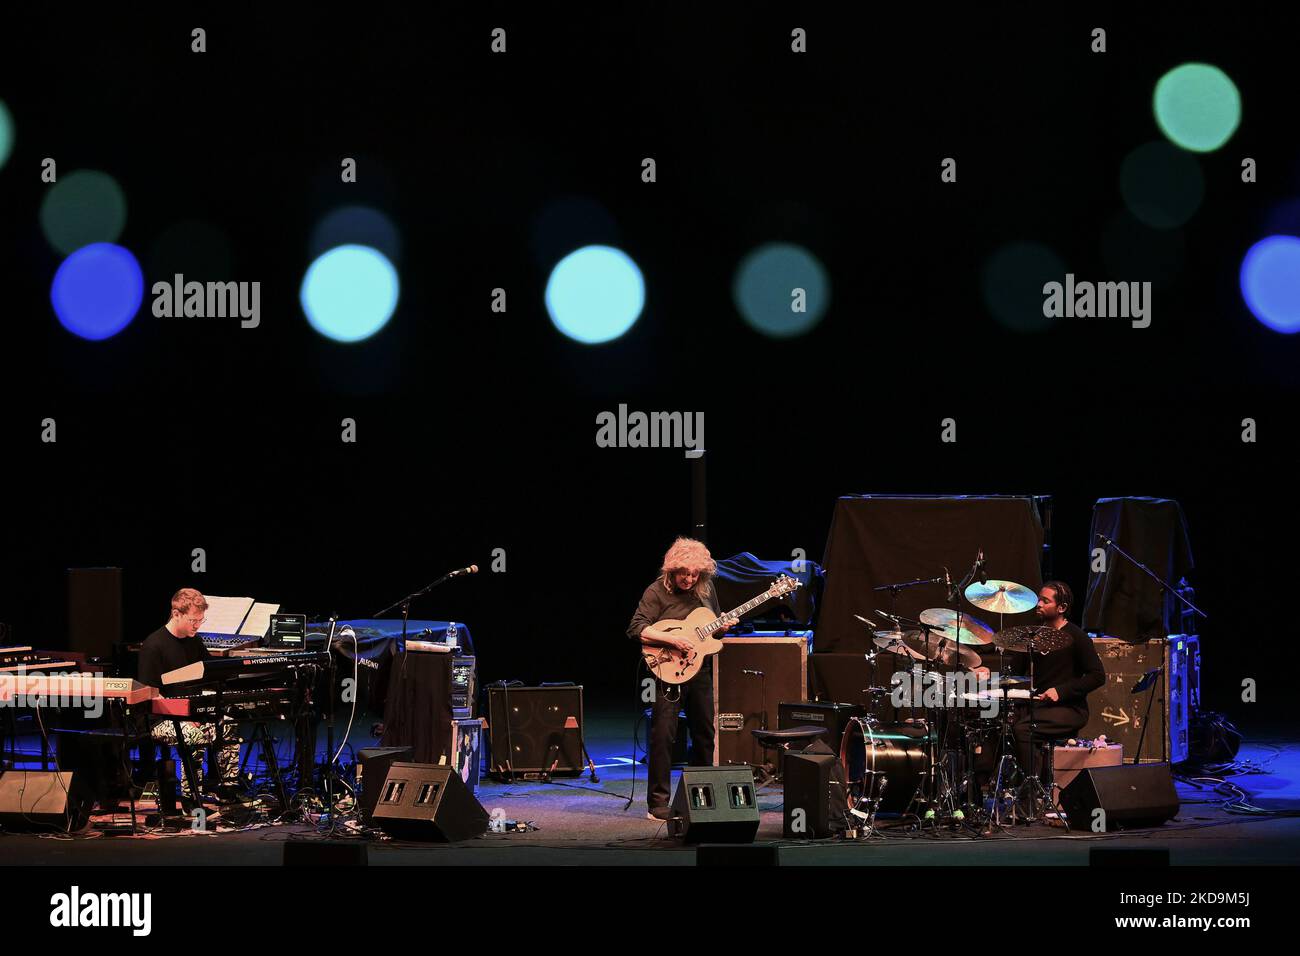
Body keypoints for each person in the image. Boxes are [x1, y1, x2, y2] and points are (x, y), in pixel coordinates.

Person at [627, 538, 734, 821]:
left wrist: (721, 628)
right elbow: (636, 628)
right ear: (672, 570)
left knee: (705, 734)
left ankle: (701, 796)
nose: (688, 579)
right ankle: (658, 803)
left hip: (700, 672)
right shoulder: (656, 592)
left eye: (694, 574)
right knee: (663, 735)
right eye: (683, 573)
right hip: (669, 671)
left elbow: (713, 636)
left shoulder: (706, 590)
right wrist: (674, 638)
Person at [138, 588, 243, 803]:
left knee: (228, 724)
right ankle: (191, 797)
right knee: (193, 735)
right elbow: (151, 695)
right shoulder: (153, 646)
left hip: (191, 715)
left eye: (200, 621)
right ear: (176, 614)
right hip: (161, 719)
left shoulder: (193, 641)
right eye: (193, 620)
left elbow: (209, 673)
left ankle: (227, 790)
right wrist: (186, 717)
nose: (197, 625)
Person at [1009, 581, 1105, 788]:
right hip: (1040, 707)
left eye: (1045, 600)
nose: (1039, 604)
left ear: (1061, 608)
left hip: (1069, 709)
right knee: (1001, 724)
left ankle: (1032, 791)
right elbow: (1013, 674)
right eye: (1038, 599)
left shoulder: (1076, 636)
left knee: (1024, 729)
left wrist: (1061, 691)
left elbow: (1097, 676)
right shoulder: (1033, 635)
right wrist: (987, 673)